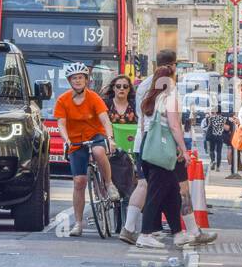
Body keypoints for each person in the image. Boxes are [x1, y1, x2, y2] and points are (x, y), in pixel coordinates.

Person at [134, 63, 200, 249]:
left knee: (172, 194)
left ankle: (178, 234)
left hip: (148, 148)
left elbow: (144, 128)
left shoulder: (149, 99)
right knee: (155, 195)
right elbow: (173, 126)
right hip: (161, 152)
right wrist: (183, 150)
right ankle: (145, 234)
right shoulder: (169, 98)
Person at [53, 62, 119, 238]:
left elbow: (105, 120)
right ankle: (78, 223)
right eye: (74, 78)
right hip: (75, 141)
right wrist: (66, 141)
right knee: (79, 182)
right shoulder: (63, 100)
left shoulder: (94, 98)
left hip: (95, 135)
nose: (78, 80)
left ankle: (108, 183)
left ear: (86, 80)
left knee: (98, 152)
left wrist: (110, 139)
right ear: (69, 81)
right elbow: (61, 123)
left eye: (81, 77)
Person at [102, 74, 137, 224]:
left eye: (125, 86)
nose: (122, 89)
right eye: (118, 86)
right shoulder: (106, 104)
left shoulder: (135, 105)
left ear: (129, 89)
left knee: (131, 179)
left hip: (131, 146)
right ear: (113, 88)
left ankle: (126, 211)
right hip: (111, 146)